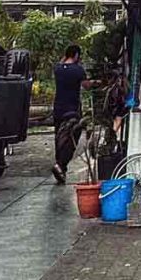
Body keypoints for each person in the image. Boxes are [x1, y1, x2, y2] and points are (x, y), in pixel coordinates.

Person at [51, 45, 98, 184]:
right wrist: (96, 82)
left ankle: (60, 168)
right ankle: (61, 165)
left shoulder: (57, 69)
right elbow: (86, 85)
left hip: (58, 108)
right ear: (76, 55)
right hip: (72, 109)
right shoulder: (78, 70)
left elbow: (62, 63)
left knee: (59, 137)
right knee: (71, 138)